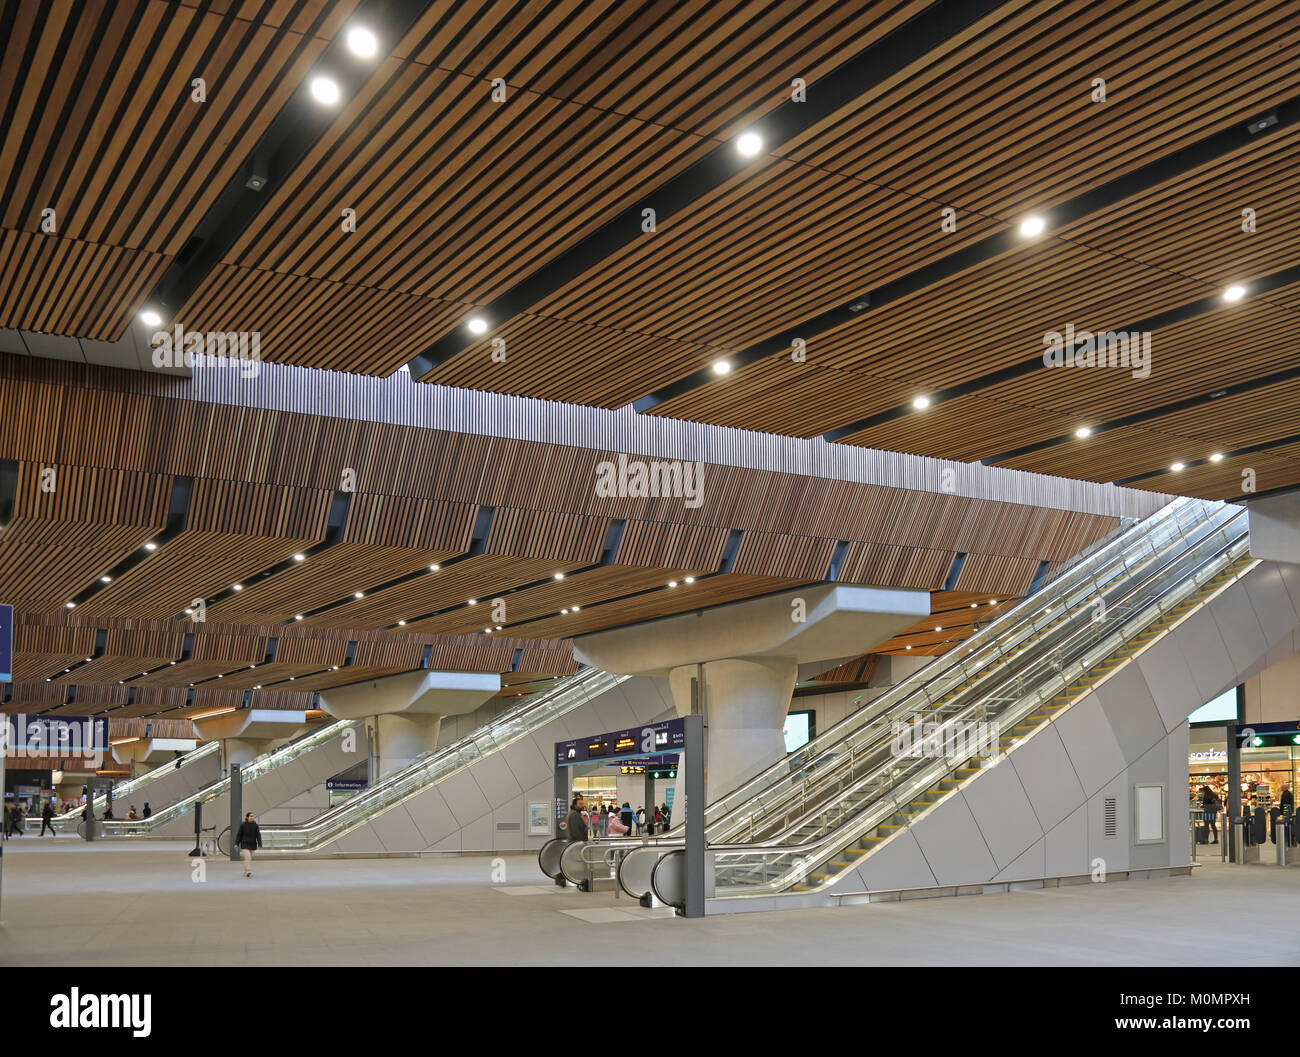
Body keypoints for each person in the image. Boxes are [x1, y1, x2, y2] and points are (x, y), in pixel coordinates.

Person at [234, 811, 262, 877]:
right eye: (251, 816)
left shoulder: (255, 826)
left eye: (253, 816)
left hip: (253, 844)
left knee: (249, 859)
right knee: (247, 857)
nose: (252, 817)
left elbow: (258, 835)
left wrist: (260, 843)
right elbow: (239, 835)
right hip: (245, 844)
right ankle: (248, 871)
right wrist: (236, 844)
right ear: (247, 817)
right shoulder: (243, 825)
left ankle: (245, 870)